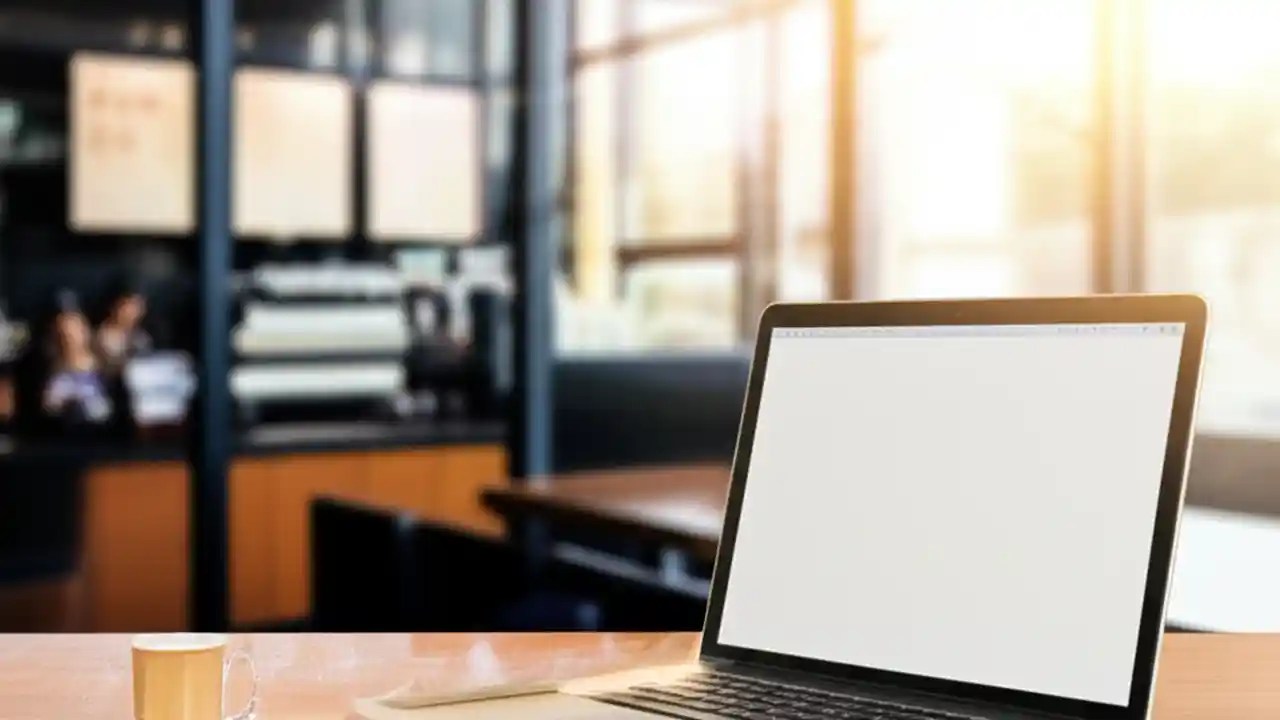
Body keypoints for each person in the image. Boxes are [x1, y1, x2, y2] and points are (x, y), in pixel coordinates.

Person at [94, 284, 152, 376]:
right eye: (127, 306)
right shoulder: (94, 337)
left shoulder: (141, 340)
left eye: (137, 307)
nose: (131, 312)